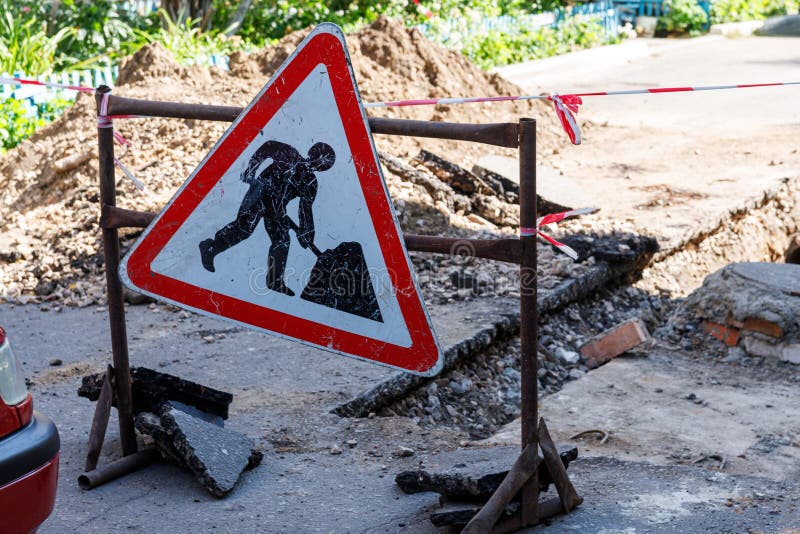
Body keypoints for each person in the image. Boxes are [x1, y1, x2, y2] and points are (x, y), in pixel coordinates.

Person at [199, 140, 336, 296]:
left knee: (282, 240)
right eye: (316, 162)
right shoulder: (290, 155)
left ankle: (275, 281)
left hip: (278, 209)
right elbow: (268, 146)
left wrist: (307, 234)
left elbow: (305, 210)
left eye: (320, 167)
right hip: (260, 193)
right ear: (312, 155)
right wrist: (252, 168)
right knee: (244, 228)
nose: (314, 167)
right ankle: (210, 249)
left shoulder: (310, 182)